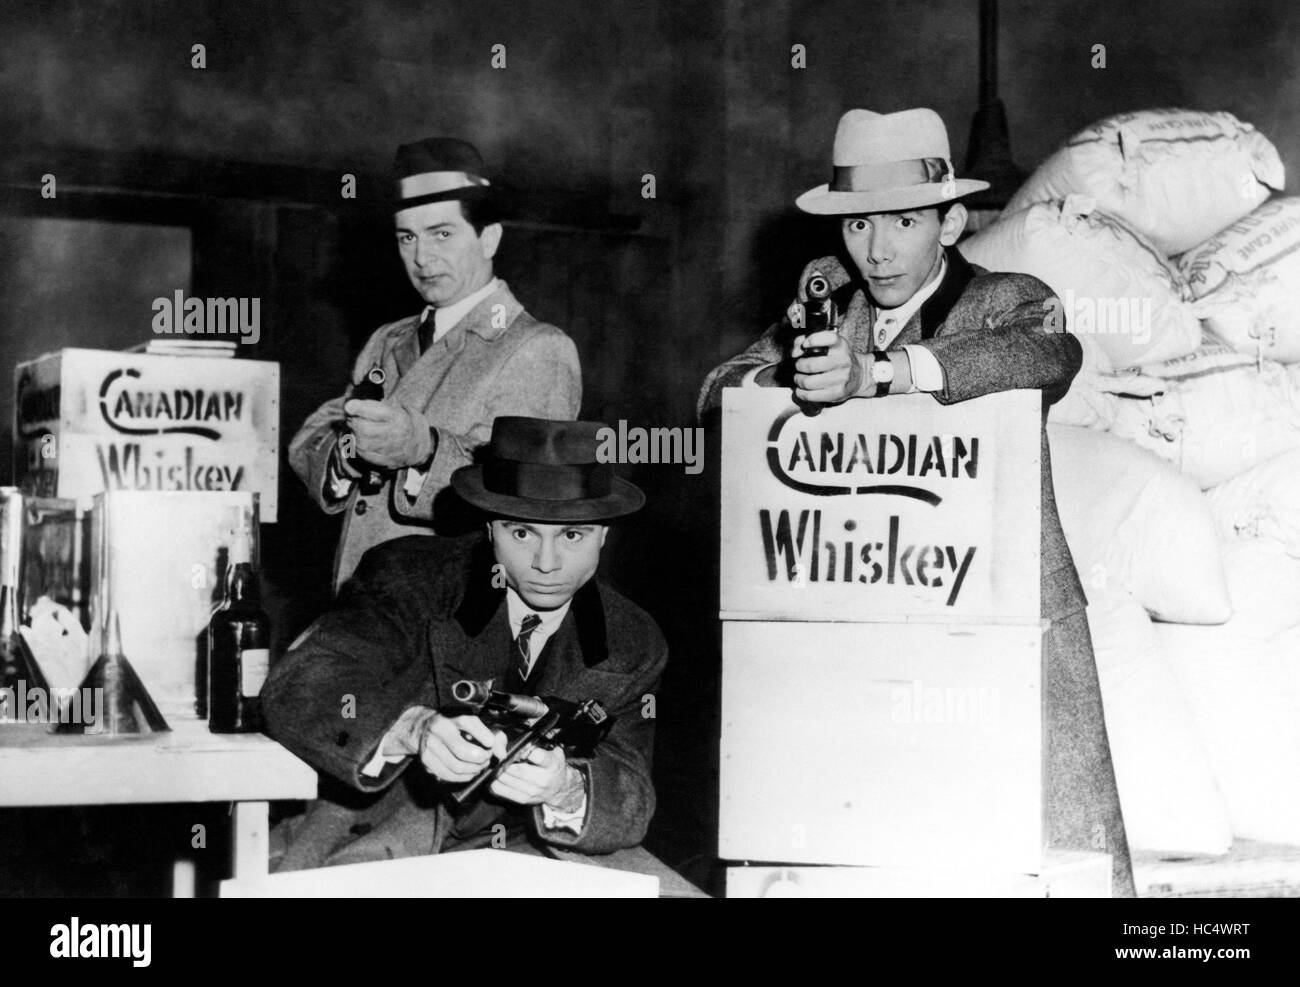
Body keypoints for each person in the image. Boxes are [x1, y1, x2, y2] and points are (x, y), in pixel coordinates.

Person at [698, 108, 1136, 897]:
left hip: (1012, 632)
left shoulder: (1008, 300)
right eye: (860, 223)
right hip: (877, 636)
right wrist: (786, 378)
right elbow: (713, 393)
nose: (879, 247)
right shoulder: (831, 315)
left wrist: (886, 376)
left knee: (1046, 859)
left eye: (905, 220)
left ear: (951, 220)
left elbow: (1047, 354)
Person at [264, 417, 665, 870]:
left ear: (604, 534)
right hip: (379, 834)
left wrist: (566, 786)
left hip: (532, 851)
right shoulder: (409, 578)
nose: (547, 563)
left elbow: (631, 785)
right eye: (521, 533)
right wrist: (411, 729)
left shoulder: (632, 638)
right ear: (490, 527)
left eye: (572, 535)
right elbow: (302, 683)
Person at [290, 137, 582, 589]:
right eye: (408, 237)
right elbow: (310, 437)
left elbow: (521, 500)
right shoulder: (389, 338)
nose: (422, 258)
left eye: (442, 233)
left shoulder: (536, 348)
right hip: (359, 607)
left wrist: (423, 450)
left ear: (490, 238)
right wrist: (347, 458)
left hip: (450, 621)